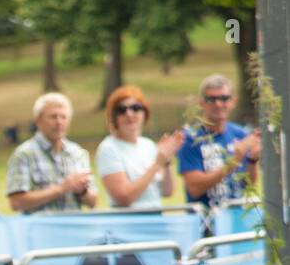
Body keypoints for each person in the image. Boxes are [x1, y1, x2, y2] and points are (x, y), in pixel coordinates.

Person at [177, 74, 260, 213]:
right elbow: (194, 188)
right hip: (206, 222)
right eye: (211, 99)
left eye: (224, 98)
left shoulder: (240, 134)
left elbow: (248, 185)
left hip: (236, 217)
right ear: (201, 102)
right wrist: (233, 162)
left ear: (233, 101)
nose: (218, 104)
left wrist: (252, 160)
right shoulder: (191, 139)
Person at [7, 92, 98, 212]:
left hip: (74, 228)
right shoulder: (24, 154)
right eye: (53, 117)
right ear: (38, 121)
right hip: (39, 229)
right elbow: (16, 202)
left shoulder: (77, 153)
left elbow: (93, 202)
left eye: (63, 117)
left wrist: (82, 191)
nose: (59, 122)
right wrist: (61, 188)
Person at [95, 86, 184, 209]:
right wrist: (157, 164)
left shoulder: (148, 145)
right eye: (122, 110)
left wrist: (166, 161)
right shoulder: (109, 148)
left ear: (144, 113)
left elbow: (167, 192)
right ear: (114, 117)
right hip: (129, 223)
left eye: (136, 108)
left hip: (156, 218)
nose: (129, 114)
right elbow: (124, 198)